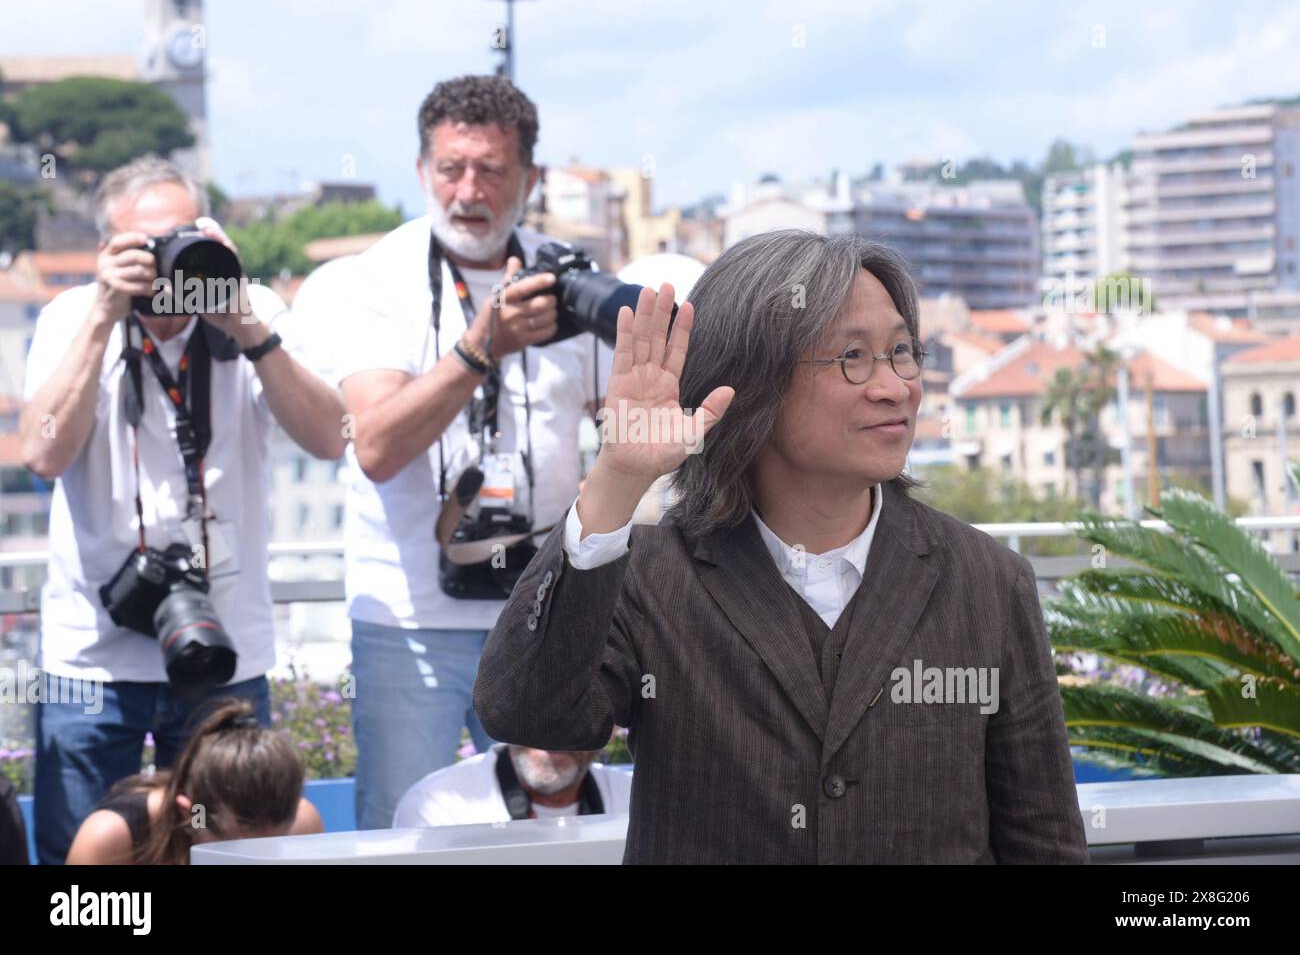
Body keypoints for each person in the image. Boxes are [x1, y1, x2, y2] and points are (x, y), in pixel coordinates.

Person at [474, 229, 1091, 864]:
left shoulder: (988, 581)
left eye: (902, 352)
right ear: (750, 385)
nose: (894, 386)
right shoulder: (651, 575)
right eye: (853, 357)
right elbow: (528, 712)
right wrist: (618, 479)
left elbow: (1044, 842)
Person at [20, 155, 348, 865]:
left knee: (238, 850)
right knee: (75, 865)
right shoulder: (73, 317)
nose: (168, 266)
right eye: (146, 247)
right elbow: (43, 454)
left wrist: (249, 327)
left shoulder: (251, 314)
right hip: (94, 654)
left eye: (181, 241)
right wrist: (105, 317)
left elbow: (329, 438)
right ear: (108, 251)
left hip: (224, 649)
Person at [308, 75, 609, 830]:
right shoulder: (374, 280)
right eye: (450, 168)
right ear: (421, 171)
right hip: (411, 618)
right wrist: (483, 345)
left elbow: (628, 428)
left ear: (530, 179)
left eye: (491, 170)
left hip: (541, 616)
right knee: (400, 833)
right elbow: (374, 446)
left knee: (550, 832)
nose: (467, 190)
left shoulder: (570, 280)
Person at [65, 698, 322, 864]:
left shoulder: (302, 825)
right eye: (236, 855)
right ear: (192, 814)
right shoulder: (107, 838)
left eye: (272, 850)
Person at [392, 743, 632, 827]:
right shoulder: (437, 804)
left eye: (578, 711)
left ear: (610, 726)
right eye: (535, 708)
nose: (555, 731)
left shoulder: (641, 799)